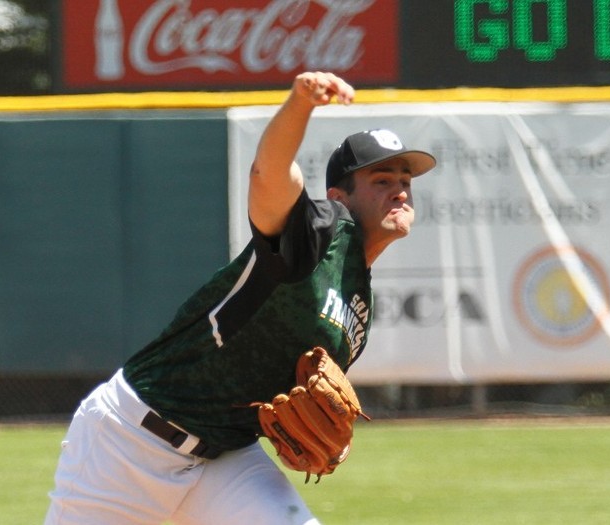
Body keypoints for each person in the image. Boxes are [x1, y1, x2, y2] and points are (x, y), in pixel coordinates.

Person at [44, 71, 437, 525]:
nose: (401, 189)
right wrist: (301, 102)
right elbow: (268, 174)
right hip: (129, 443)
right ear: (338, 196)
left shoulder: (359, 308)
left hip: (227, 462)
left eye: (406, 179)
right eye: (382, 179)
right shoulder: (320, 232)